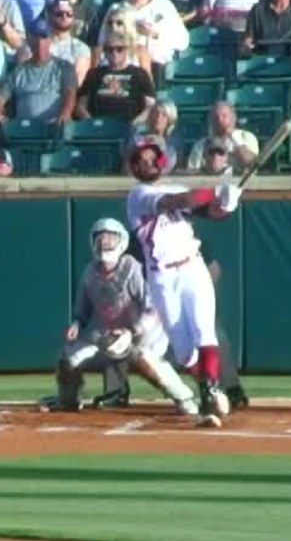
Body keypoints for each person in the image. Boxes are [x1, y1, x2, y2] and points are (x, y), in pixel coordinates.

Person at [124, 140, 240, 427]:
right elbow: (175, 203)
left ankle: (209, 397)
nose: (148, 163)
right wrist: (214, 191)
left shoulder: (176, 189)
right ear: (134, 167)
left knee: (205, 332)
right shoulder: (138, 195)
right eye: (142, 160)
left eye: (152, 158)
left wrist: (226, 203)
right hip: (162, 277)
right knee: (185, 353)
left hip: (192, 268)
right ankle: (211, 386)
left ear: (162, 161)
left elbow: (210, 212)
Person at [42, 218, 200, 417]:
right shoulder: (90, 272)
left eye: (110, 238)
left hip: (138, 337)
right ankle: (68, 400)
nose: (105, 243)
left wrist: (133, 331)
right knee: (67, 358)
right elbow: (82, 311)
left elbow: (153, 307)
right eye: (100, 238)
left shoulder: (132, 268)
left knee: (144, 360)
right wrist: (76, 324)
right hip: (103, 337)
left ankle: (184, 397)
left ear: (122, 242)